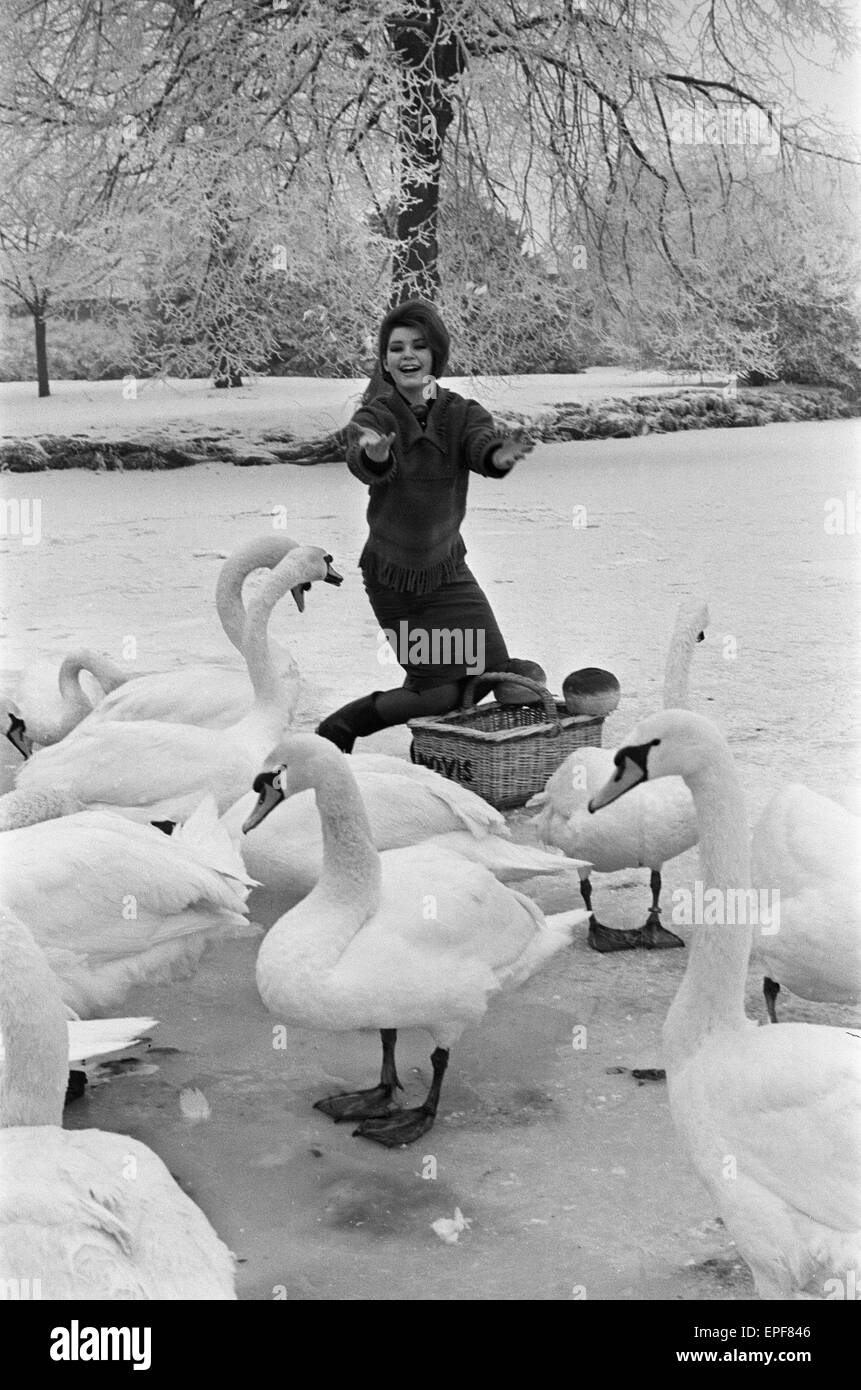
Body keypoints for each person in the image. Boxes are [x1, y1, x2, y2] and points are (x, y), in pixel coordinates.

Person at [316, 299, 534, 753]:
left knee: (491, 669)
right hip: (394, 577)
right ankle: (343, 726)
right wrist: (376, 453)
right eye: (396, 348)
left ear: (436, 354)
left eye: (418, 345)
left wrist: (498, 456)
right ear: (385, 361)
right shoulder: (376, 415)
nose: (407, 355)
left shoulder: (462, 412)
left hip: (447, 570)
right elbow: (363, 452)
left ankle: (439, 746)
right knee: (434, 691)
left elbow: (481, 446)